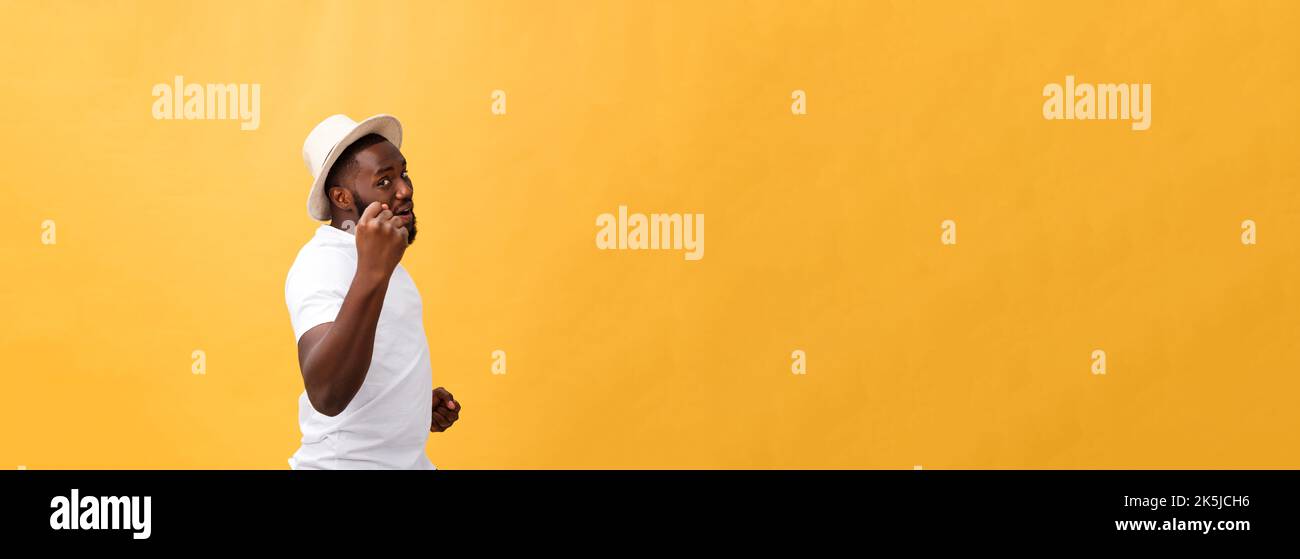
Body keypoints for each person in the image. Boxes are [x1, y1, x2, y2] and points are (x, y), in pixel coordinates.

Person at [284, 114, 460, 469]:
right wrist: (371, 271)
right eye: (384, 180)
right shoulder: (322, 263)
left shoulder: (385, 263)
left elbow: (364, 359)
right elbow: (328, 392)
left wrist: (407, 406)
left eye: (403, 173)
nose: (405, 189)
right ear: (342, 197)